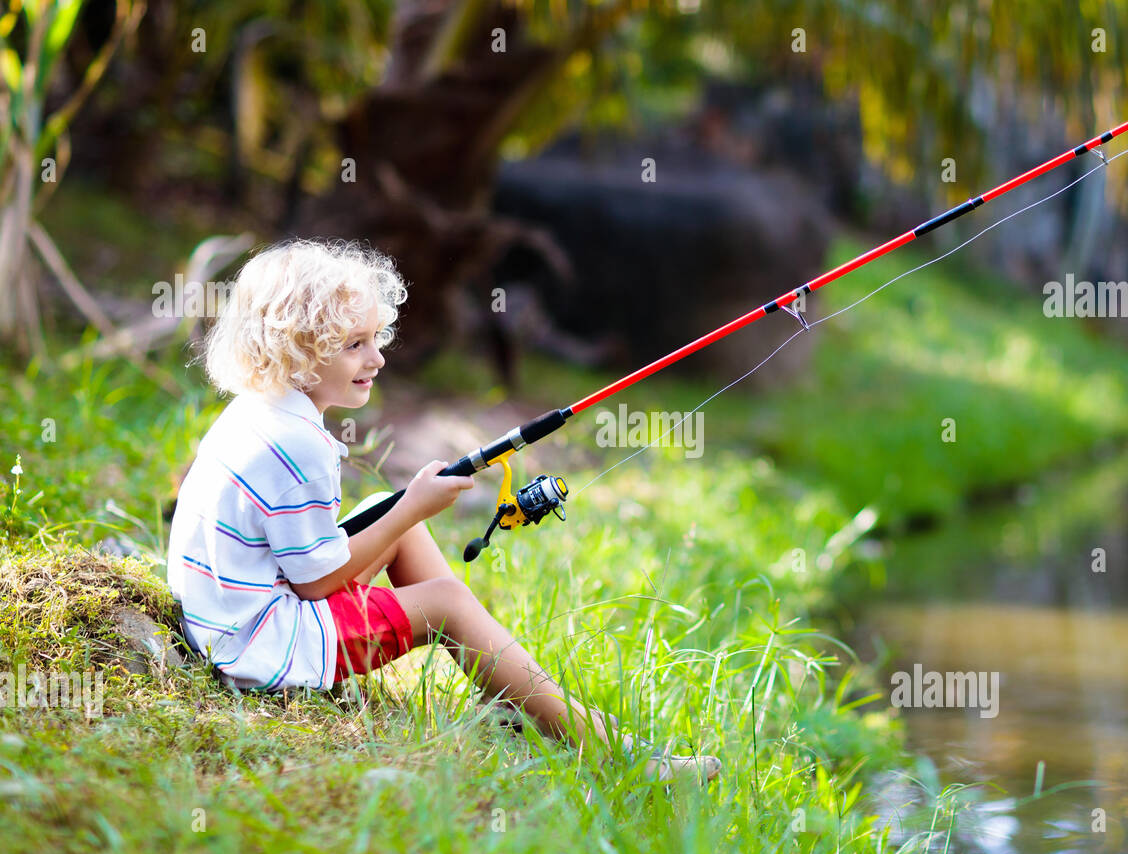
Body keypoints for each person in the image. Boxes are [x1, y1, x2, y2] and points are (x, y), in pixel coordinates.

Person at [166, 238, 720, 783]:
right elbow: (314, 584)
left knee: (386, 510)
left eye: (375, 337)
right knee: (445, 600)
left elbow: (299, 558)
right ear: (299, 349)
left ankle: (512, 694)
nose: (377, 357)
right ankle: (610, 753)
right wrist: (413, 508)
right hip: (263, 649)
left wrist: (401, 512)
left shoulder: (259, 412)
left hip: (225, 621)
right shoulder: (296, 445)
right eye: (354, 344)